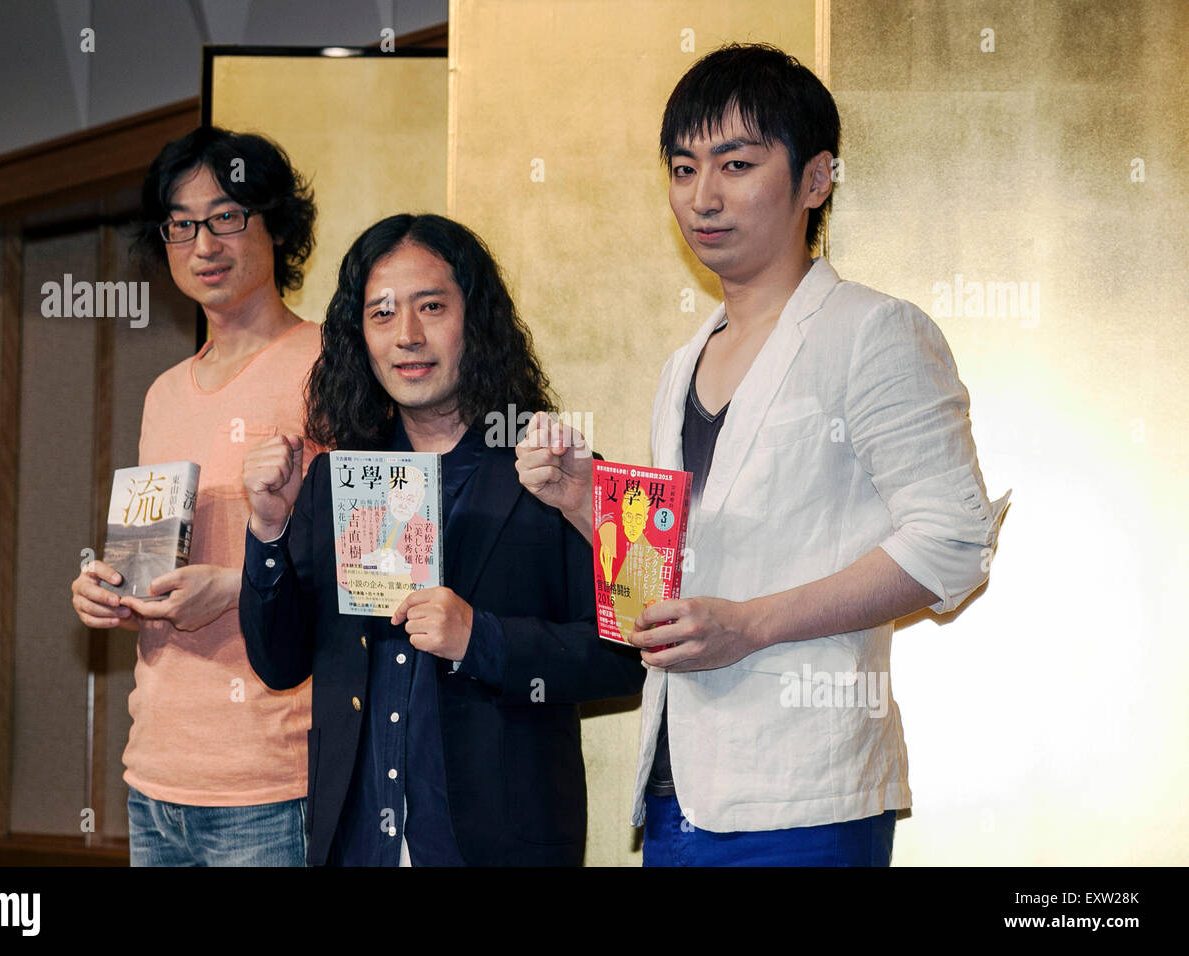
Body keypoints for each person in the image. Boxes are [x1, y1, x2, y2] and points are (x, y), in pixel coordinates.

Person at [517, 43, 1010, 866]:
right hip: (678, 786)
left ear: (816, 179)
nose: (703, 197)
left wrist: (752, 625)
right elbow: (672, 584)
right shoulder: (684, 364)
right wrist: (585, 501)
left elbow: (955, 541)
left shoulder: (873, 331)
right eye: (682, 169)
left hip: (805, 789)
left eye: (736, 164)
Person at [238, 213, 645, 866]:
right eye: (381, 313)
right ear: (358, 336)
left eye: (431, 306)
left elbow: (626, 657)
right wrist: (268, 529)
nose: (408, 336)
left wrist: (479, 638)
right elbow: (279, 661)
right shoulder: (337, 481)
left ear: (475, 320)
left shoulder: (551, 467)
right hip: (358, 845)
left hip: (501, 845)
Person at [69, 126, 320, 866]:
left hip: (272, 780)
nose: (203, 243)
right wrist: (112, 592)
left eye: (226, 216)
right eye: (181, 224)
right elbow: (157, 557)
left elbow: (372, 562)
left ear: (277, 224)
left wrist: (239, 590)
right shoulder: (163, 393)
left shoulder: (330, 362)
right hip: (155, 770)